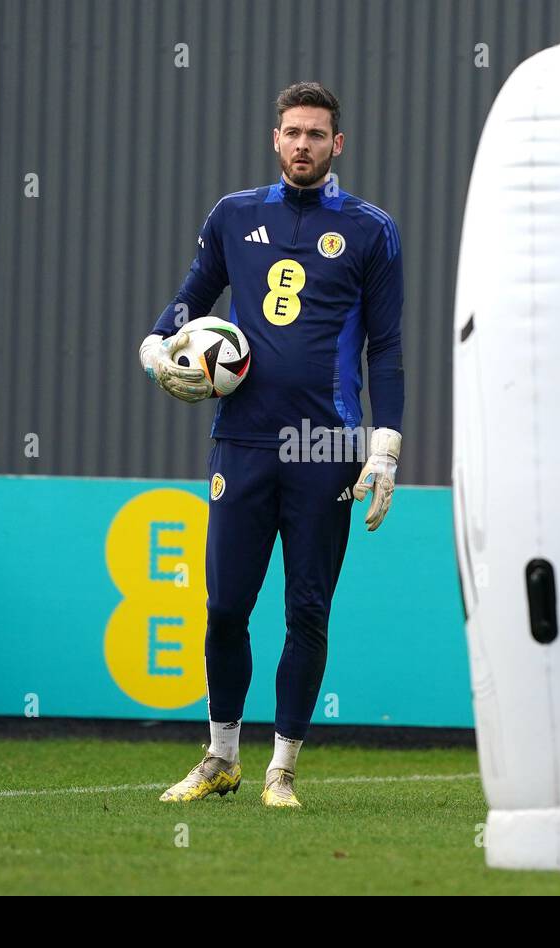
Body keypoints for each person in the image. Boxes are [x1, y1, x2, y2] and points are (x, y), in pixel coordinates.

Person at [139, 81, 404, 808]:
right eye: (292, 132)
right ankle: (221, 756)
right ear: (275, 138)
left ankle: (281, 768)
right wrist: (157, 340)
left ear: (336, 145)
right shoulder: (234, 216)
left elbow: (386, 348)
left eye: (316, 134)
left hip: (327, 445)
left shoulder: (371, 230)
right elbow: (196, 293)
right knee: (225, 608)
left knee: (307, 611)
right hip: (245, 439)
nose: (302, 145)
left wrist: (385, 447)